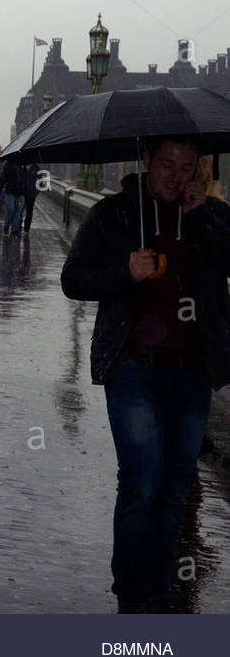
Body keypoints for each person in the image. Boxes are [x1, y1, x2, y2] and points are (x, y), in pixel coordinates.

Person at [61, 135, 230, 613]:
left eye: (187, 166)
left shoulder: (211, 215)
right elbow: (73, 279)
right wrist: (124, 273)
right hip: (134, 366)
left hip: (193, 371)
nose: (176, 175)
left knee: (176, 487)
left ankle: (160, 586)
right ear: (146, 161)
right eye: (166, 164)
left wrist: (201, 217)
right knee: (141, 482)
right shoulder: (114, 214)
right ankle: (133, 596)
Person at [0, 158, 28, 237]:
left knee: (18, 212)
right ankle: (7, 225)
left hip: (20, 192)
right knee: (10, 209)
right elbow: (3, 178)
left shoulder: (24, 166)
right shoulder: (8, 165)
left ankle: (14, 229)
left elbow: (26, 179)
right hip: (10, 191)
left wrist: (25, 188)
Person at [22, 162, 41, 232]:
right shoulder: (22, 167)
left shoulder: (36, 168)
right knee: (19, 211)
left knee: (29, 212)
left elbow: (40, 182)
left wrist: (35, 192)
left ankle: (26, 229)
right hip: (21, 193)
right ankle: (18, 227)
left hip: (31, 195)